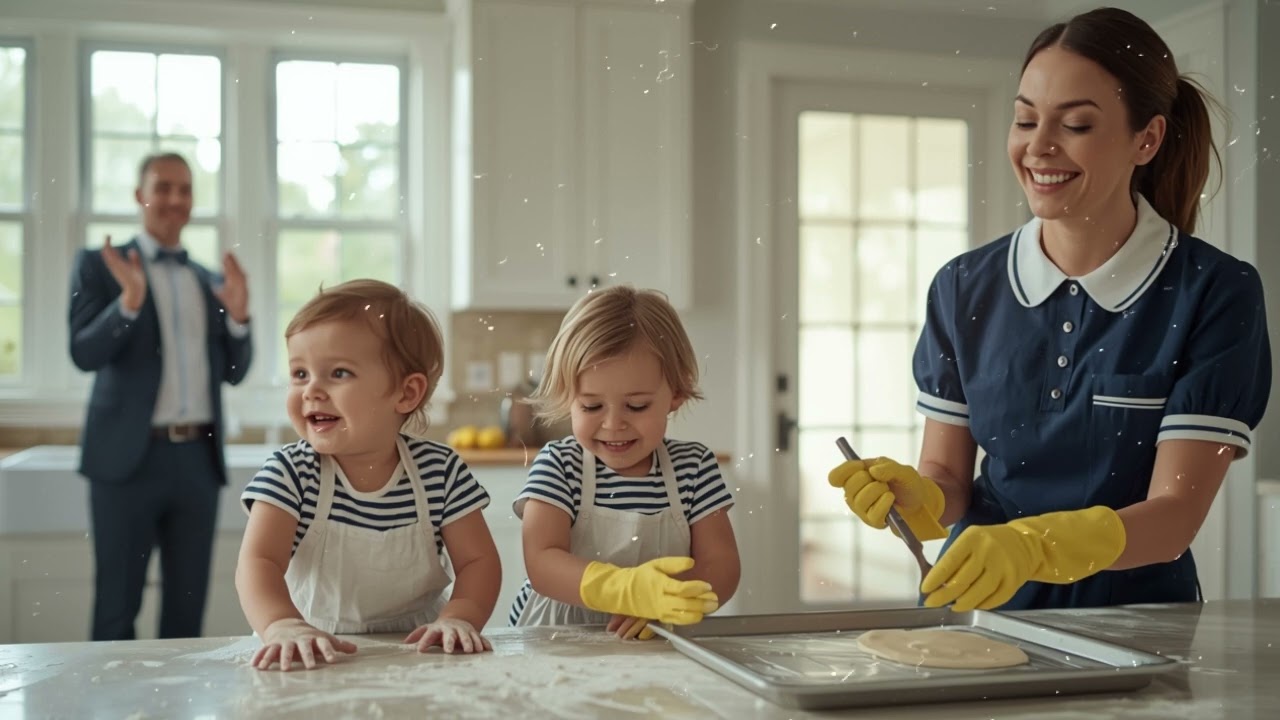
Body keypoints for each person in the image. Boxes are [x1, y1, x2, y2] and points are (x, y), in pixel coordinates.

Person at [827, 7, 1271, 612]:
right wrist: (920, 499)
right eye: (1024, 119)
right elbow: (949, 478)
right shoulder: (963, 287)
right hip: (981, 612)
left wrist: (1035, 546)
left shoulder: (1215, 293)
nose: (1038, 147)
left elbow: (1175, 517)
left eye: (1077, 125)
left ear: (1148, 138)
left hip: (1140, 623)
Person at [236, 279, 501, 671]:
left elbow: (480, 562)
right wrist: (281, 626)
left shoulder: (439, 472)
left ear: (406, 393)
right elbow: (258, 562)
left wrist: (458, 618)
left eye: (338, 373)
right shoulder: (291, 473)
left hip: (418, 656)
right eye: (300, 374)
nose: (312, 391)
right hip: (311, 653)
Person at [68, 151, 253, 641]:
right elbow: (83, 353)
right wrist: (127, 302)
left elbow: (236, 373)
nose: (175, 199)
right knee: (115, 608)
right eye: (164, 187)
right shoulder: (98, 266)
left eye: (185, 189)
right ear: (139, 194)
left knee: (187, 616)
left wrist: (238, 318)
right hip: (126, 461)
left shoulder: (209, 280)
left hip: (197, 461)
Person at [508, 285, 740, 640]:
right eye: (591, 406)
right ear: (569, 398)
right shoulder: (559, 466)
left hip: (658, 637)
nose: (613, 424)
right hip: (557, 642)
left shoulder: (693, 468)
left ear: (675, 394)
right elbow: (542, 561)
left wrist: (669, 601)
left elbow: (721, 567)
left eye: (637, 406)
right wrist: (625, 589)